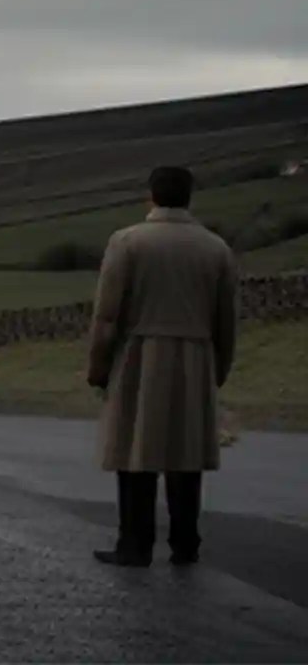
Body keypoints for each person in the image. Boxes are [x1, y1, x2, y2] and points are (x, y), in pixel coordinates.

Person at [86, 165, 238, 567]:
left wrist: (98, 367)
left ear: (150, 196)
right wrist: (217, 370)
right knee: (185, 454)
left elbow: (106, 316)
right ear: (190, 197)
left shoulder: (127, 242)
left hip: (139, 354)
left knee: (136, 451)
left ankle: (134, 544)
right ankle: (186, 543)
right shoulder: (215, 248)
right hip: (196, 355)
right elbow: (226, 321)